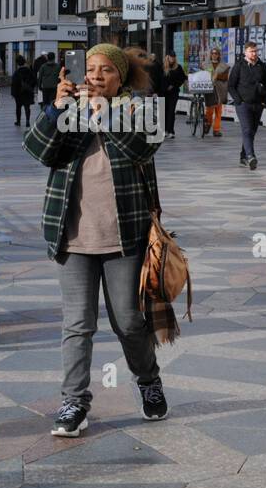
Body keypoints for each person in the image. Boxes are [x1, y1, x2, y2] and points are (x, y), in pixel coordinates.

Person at [24, 44, 166, 437]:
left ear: (121, 76)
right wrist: (55, 109)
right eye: (90, 68)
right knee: (77, 324)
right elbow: (36, 150)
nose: (96, 76)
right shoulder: (70, 109)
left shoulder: (140, 109)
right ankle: (74, 401)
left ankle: (148, 380)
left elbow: (145, 147)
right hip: (73, 234)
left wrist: (109, 118)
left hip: (124, 234)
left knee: (129, 321)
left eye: (106, 69)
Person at [229, 41, 266, 170]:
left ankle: (243, 157)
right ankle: (251, 156)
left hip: (258, 104)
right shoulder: (239, 66)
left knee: (252, 132)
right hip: (243, 104)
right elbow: (231, 85)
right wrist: (238, 100)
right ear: (245, 52)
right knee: (247, 130)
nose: (254, 53)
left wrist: (264, 100)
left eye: (255, 51)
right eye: (251, 51)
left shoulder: (261, 66)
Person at [203, 47, 229, 137]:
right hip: (209, 90)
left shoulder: (224, 65)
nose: (214, 55)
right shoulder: (205, 65)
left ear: (219, 55)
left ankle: (216, 130)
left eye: (216, 53)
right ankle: (208, 124)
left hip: (219, 90)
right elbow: (201, 75)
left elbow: (226, 77)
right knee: (209, 110)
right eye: (213, 53)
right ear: (210, 55)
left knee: (218, 110)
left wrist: (217, 76)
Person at [161, 52, 186, 139]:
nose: (172, 59)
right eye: (171, 57)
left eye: (174, 57)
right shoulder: (163, 67)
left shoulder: (178, 67)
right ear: (167, 57)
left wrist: (174, 85)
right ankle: (165, 130)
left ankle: (171, 131)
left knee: (171, 111)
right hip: (163, 92)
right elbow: (159, 79)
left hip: (174, 92)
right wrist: (164, 87)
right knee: (164, 111)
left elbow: (183, 78)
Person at [11, 54, 36, 127]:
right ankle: (27, 121)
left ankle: (18, 121)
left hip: (19, 93)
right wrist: (30, 87)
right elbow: (34, 81)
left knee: (18, 107)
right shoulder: (29, 71)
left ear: (17, 63)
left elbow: (14, 83)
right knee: (27, 107)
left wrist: (13, 93)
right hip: (27, 92)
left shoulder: (16, 72)